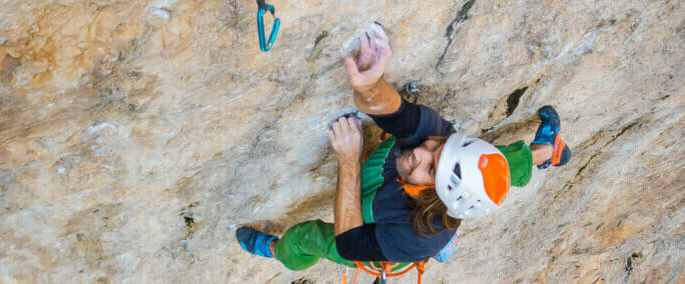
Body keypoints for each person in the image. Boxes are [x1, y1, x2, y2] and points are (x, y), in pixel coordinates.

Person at [235, 23, 571, 271]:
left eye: (430, 168)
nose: (420, 152)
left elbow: (349, 244)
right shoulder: (439, 140)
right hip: (391, 180)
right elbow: (395, 111)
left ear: (431, 195)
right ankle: (546, 151)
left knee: (309, 238)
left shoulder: (410, 238)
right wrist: (369, 86)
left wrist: (349, 161)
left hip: (381, 228)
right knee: (490, 166)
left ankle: (279, 250)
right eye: (436, 148)